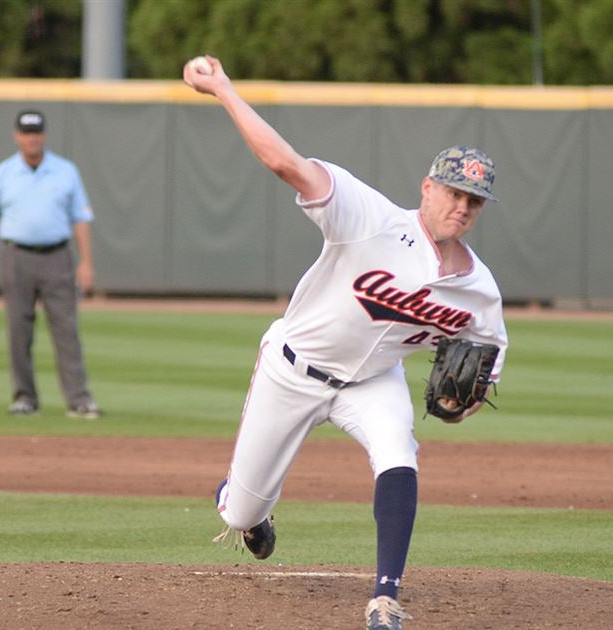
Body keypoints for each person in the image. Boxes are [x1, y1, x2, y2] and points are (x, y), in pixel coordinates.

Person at [184, 57, 508, 630]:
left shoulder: (479, 292)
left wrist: (462, 406)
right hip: (292, 370)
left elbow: (480, 379)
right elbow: (283, 162)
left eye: (474, 201)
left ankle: (385, 597)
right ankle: (245, 508)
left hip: (374, 382)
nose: (461, 206)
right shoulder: (369, 217)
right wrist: (224, 90)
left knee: (399, 453)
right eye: (453, 192)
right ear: (428, 187)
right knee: (242, 512)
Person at [0, 110, 102, 420]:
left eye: (37, 132)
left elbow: (81, 220)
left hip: (57, 256)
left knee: (66, 329)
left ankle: (78, 399)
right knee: (19, 329)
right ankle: (24, 397)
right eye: (26, 132)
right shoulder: (2, 173)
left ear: (44, 135)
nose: (32, 138)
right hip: (16, 255)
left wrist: (86, 263)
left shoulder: (65, 171)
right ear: (17, 136)